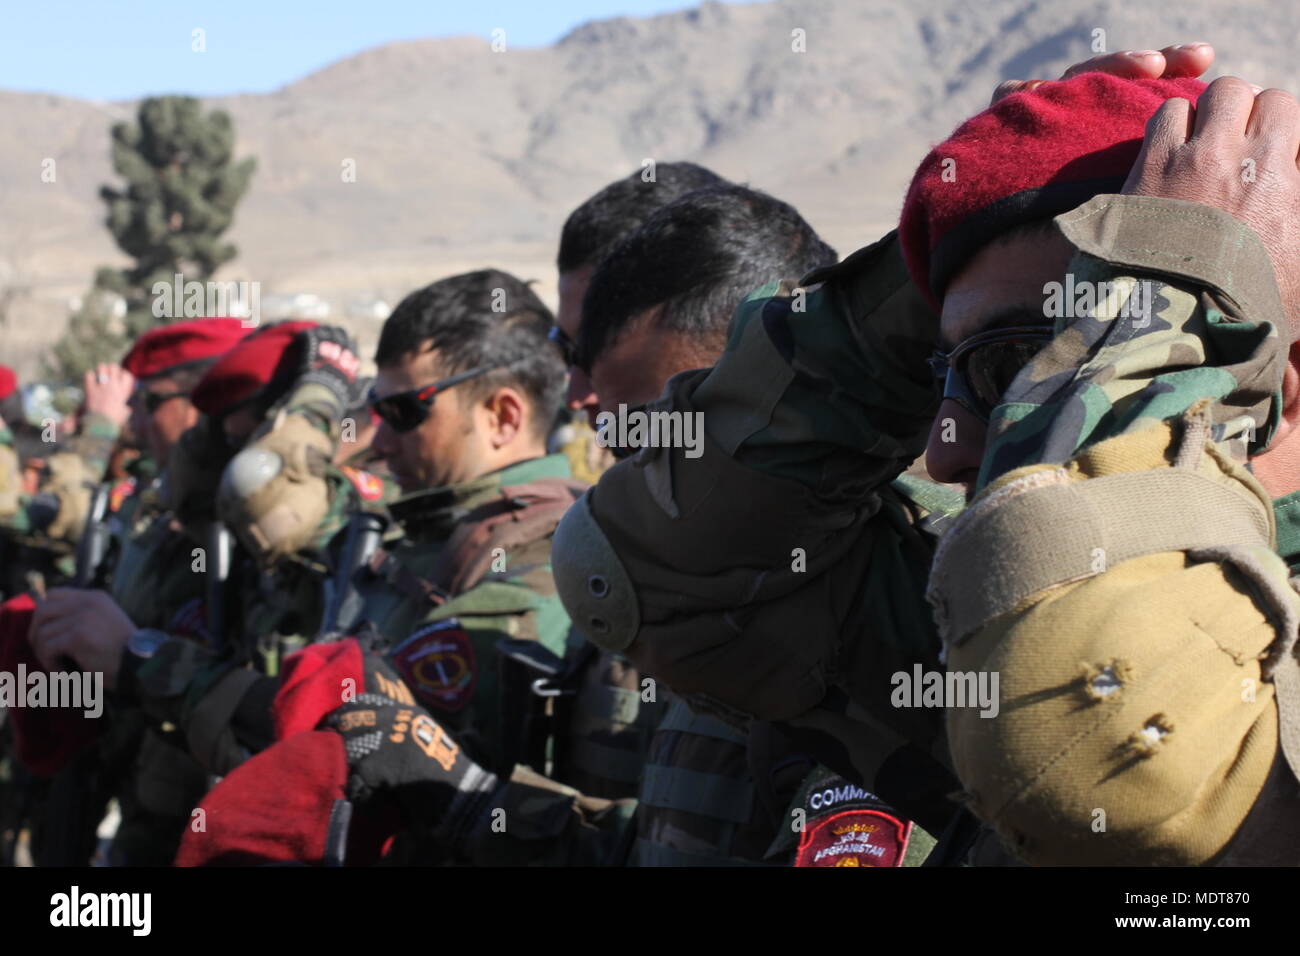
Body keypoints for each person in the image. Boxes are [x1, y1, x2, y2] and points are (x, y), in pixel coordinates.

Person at [549, 48, 1224, 865]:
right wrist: (987, 201)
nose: (944, 453)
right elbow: (636, 576)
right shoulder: (982, 639)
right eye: (939, 374)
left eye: (1016, 369)